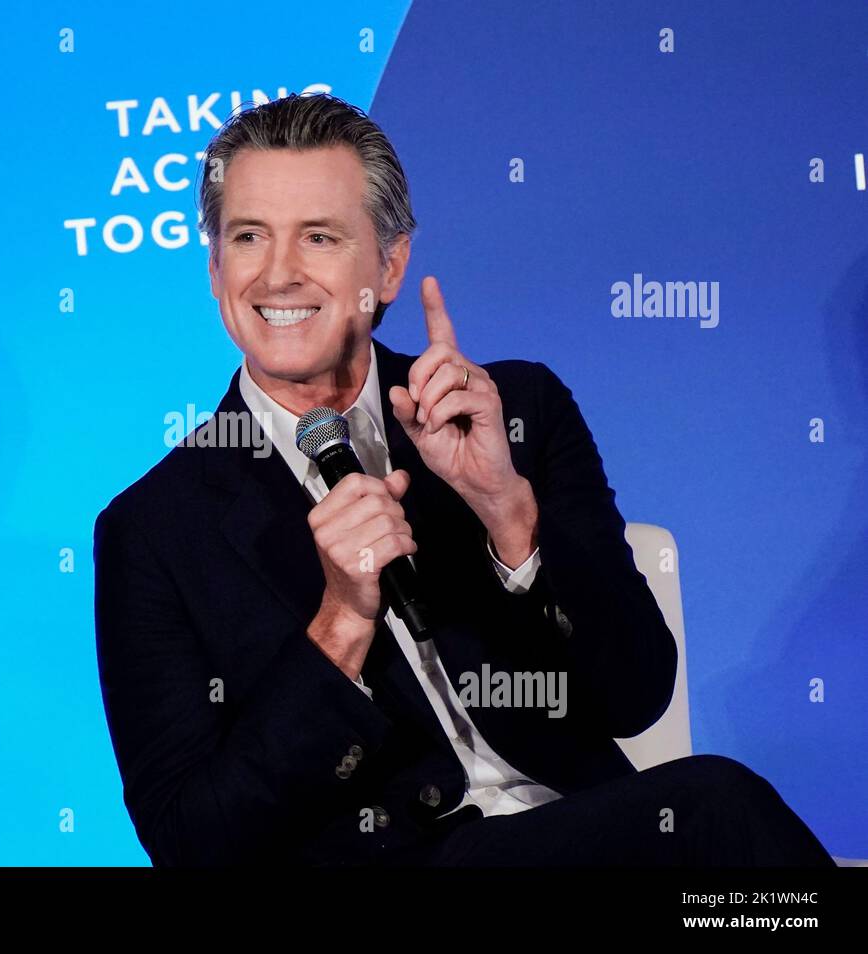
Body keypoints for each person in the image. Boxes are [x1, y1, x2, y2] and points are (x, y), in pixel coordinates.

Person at [92, 92, 835, 867]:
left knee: (715, 823)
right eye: (249, 237)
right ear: (216, 269)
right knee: (718, 811)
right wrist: (339, 624)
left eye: (318, 236)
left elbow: (636, 694)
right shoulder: (155, 527)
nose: (278, 274)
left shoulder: (514, 412)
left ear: (389, 264)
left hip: (579, 841)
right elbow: (191, 842)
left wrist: (508, 513)